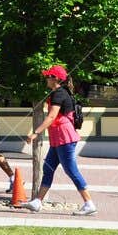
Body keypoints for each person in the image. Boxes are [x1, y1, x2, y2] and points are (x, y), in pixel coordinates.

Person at [25, 64, 96, 216]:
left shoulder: (59, 94)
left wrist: (36, 132)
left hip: (65, 137)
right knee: (48, 168)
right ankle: (37, 202)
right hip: (58, 139)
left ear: (55, 79)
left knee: (71, 170)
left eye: (48, 76)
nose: (46, 78)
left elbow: (51, 116)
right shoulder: (60, 92)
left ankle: (89, 203)